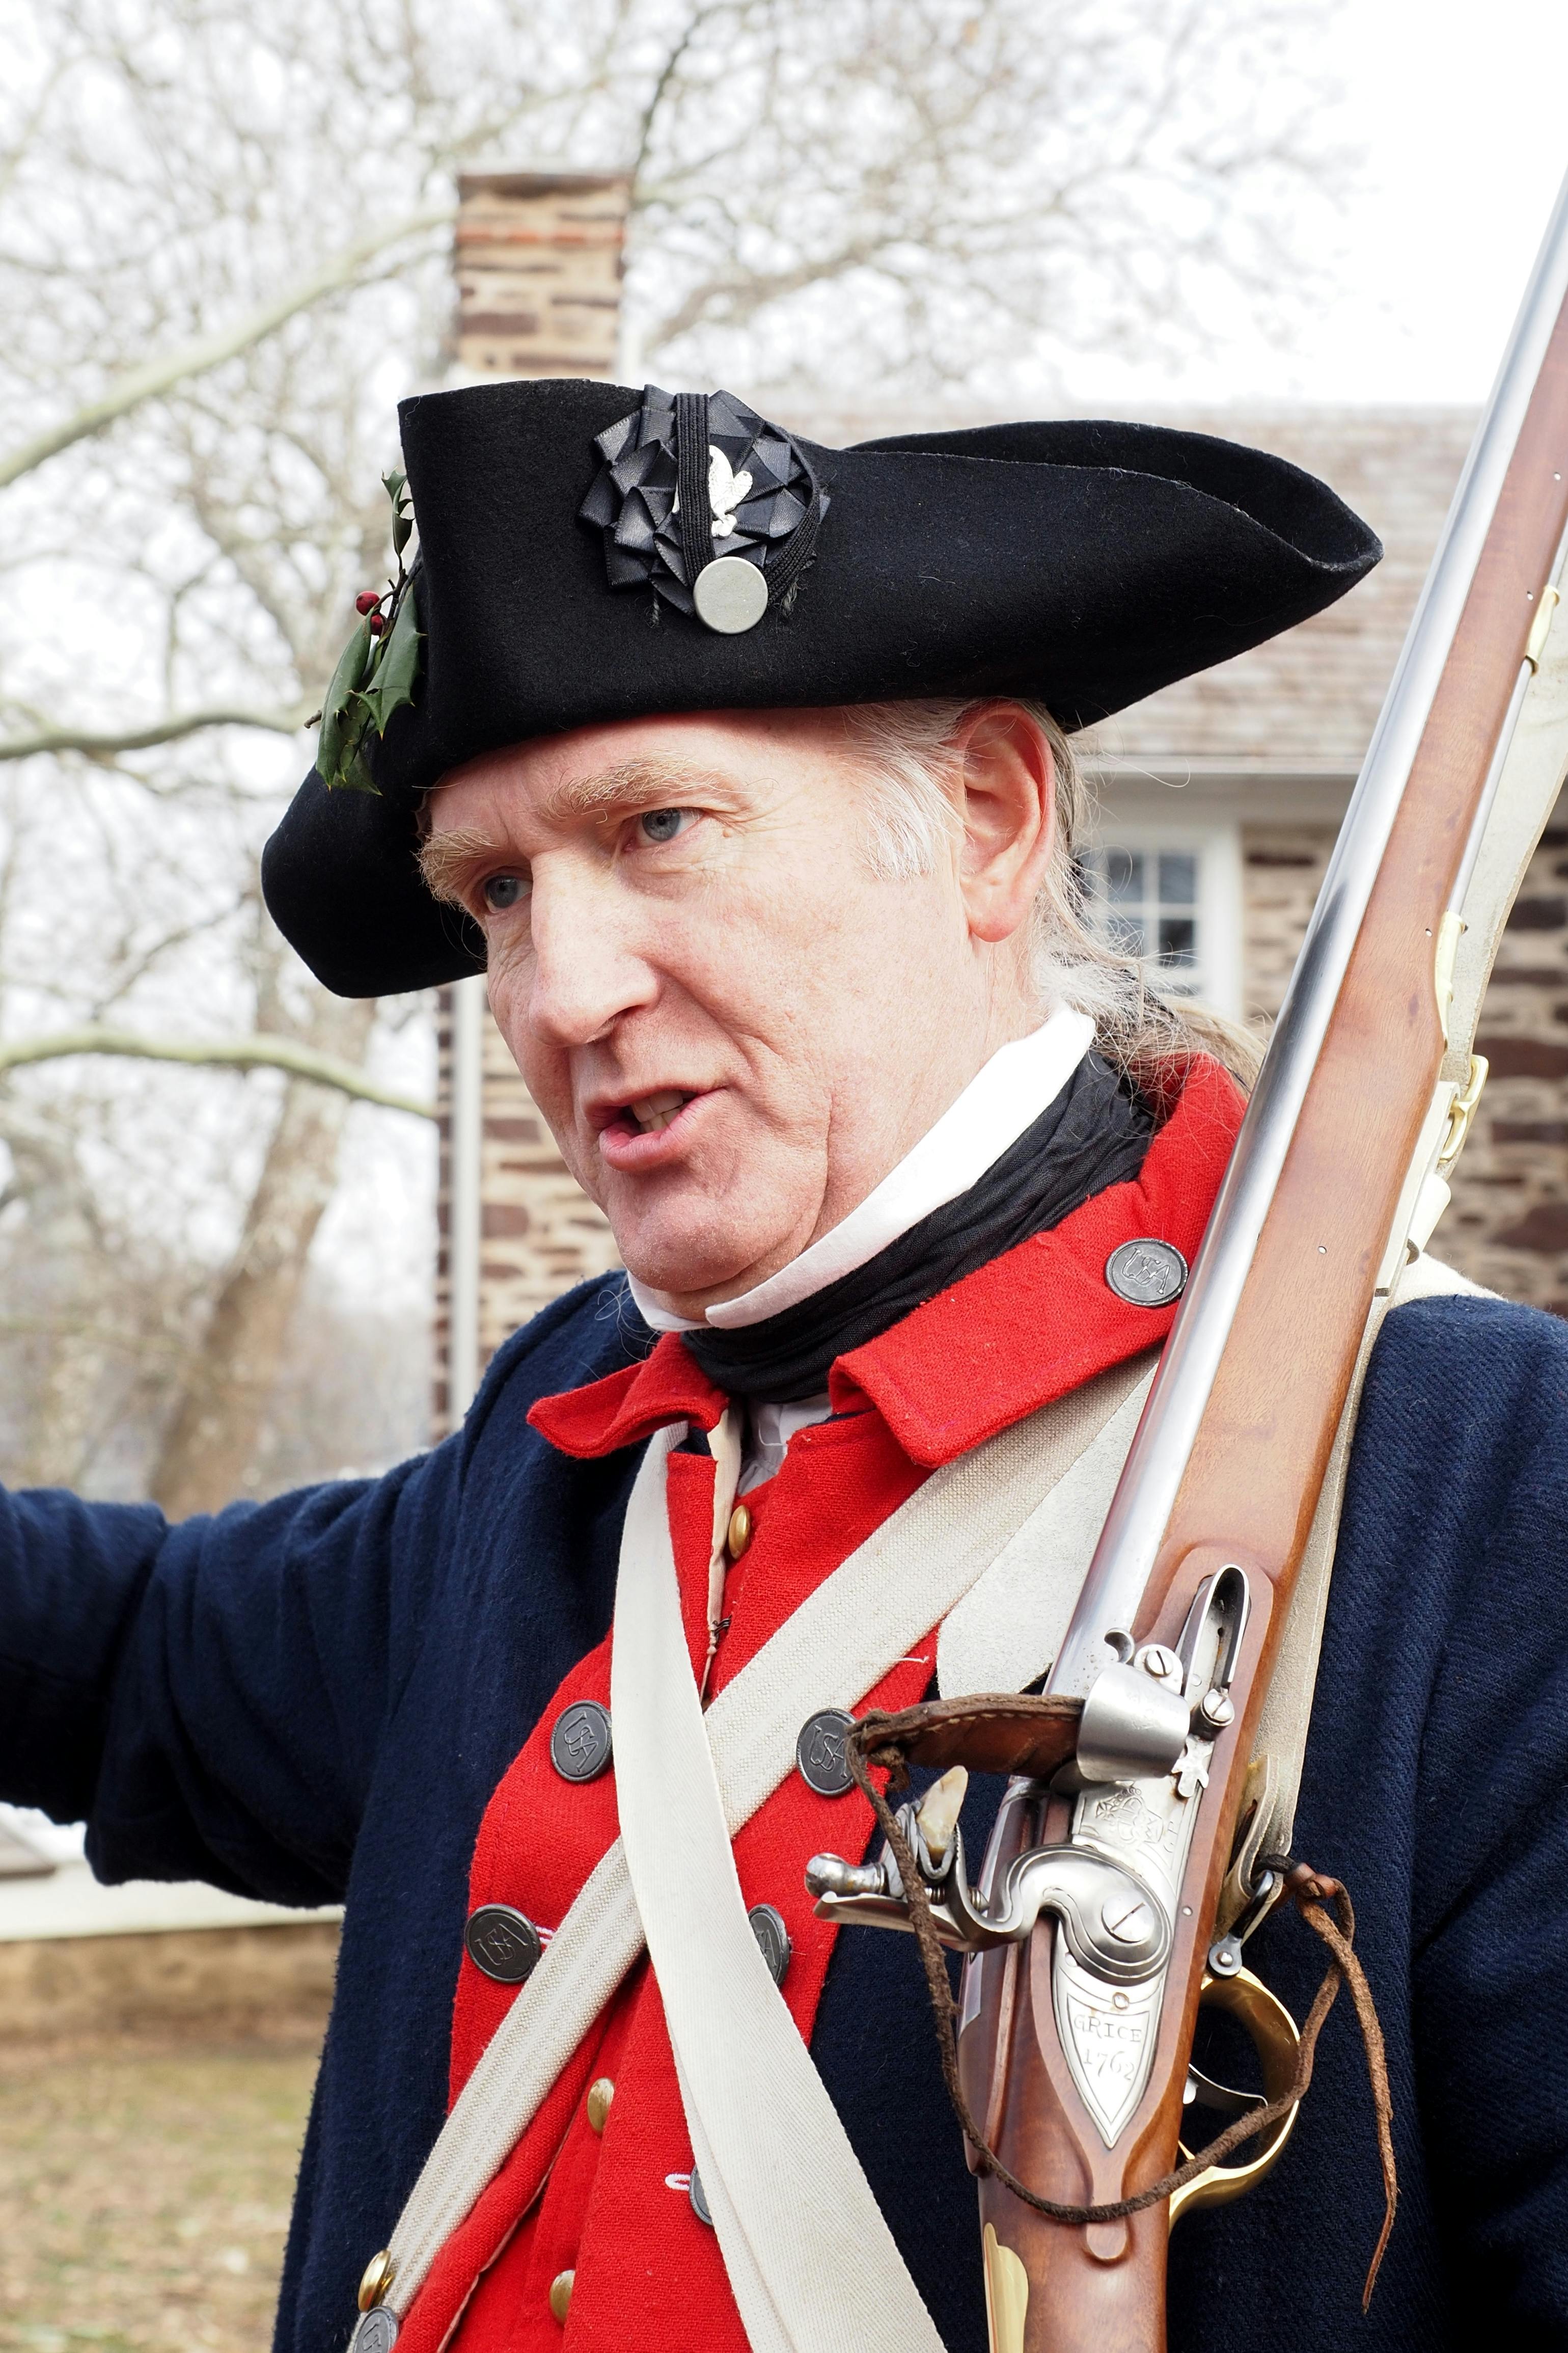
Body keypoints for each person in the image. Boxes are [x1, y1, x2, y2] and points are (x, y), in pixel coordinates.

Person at [6, 379, 1567, 2353]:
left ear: (987, 822)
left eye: (657, 828)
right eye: (494, 892)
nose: (559, 994)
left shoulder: (1478, 1479)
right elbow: (133, 1657)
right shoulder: (567, 1435)